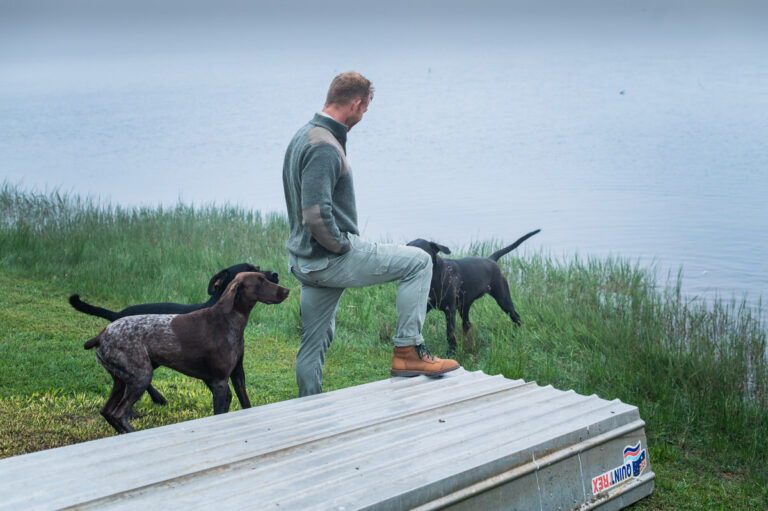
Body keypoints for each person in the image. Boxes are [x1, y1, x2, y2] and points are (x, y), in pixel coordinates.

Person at [282, 71, 460, 397]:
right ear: (355, 104)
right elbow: (315, 214)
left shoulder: (303, 135)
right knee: (419, 262)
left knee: (313, 345)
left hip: (306, 262)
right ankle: (408, 352)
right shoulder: (323, 146)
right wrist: (341, 246)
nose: (363, 117)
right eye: (364, 110)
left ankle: (308, 410)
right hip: (329, 258)